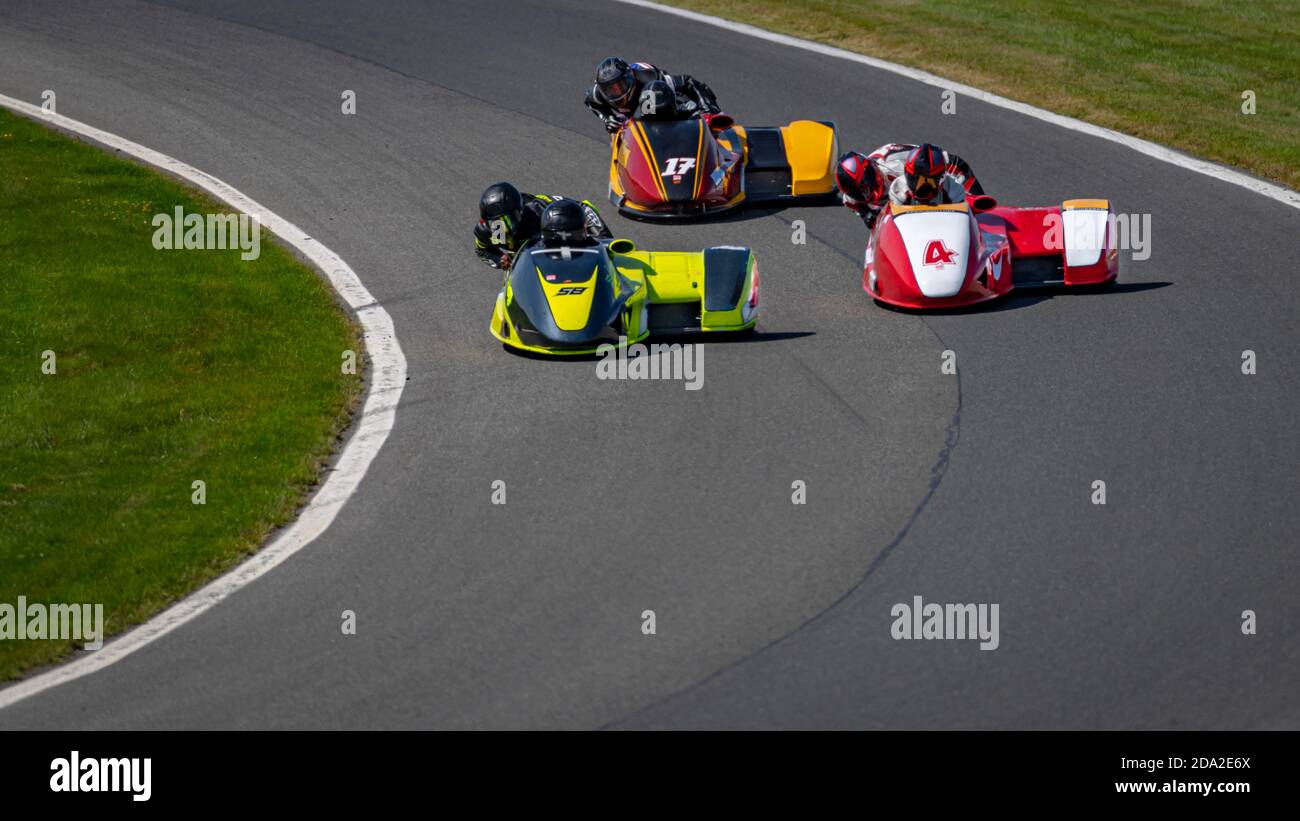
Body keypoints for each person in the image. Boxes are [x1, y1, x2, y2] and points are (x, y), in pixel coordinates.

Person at [835, 142, 984, 226]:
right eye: (859, 191)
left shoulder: (894, 164)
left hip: (945, 168)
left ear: (872, 167)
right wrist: (866, 214)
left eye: (867, 182)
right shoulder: (850, 198)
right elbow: (855, 206)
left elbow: (943, 160)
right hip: (905, 195)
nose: (869, 193)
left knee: (980, 217)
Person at [473, 182, 611, 269]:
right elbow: (482, 250)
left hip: (558, 247)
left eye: (509, 220)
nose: (504, 228)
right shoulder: (489, 230)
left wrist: (603, 238)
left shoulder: (539, 211)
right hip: (526, 266)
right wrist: (499, 260)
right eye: (496, 223)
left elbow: (584, 208)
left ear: (520, 211)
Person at [584, 56, 721, 133]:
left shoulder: (648, 79)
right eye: (611, 90)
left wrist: (708, 109)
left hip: (659, 95)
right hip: (634, 115)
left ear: (630, 77)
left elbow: (688, 82)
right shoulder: (598, 93)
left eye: (621, 86)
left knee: (687, 113)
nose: (617, 92)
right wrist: (608, 118)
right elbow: (590, 101)